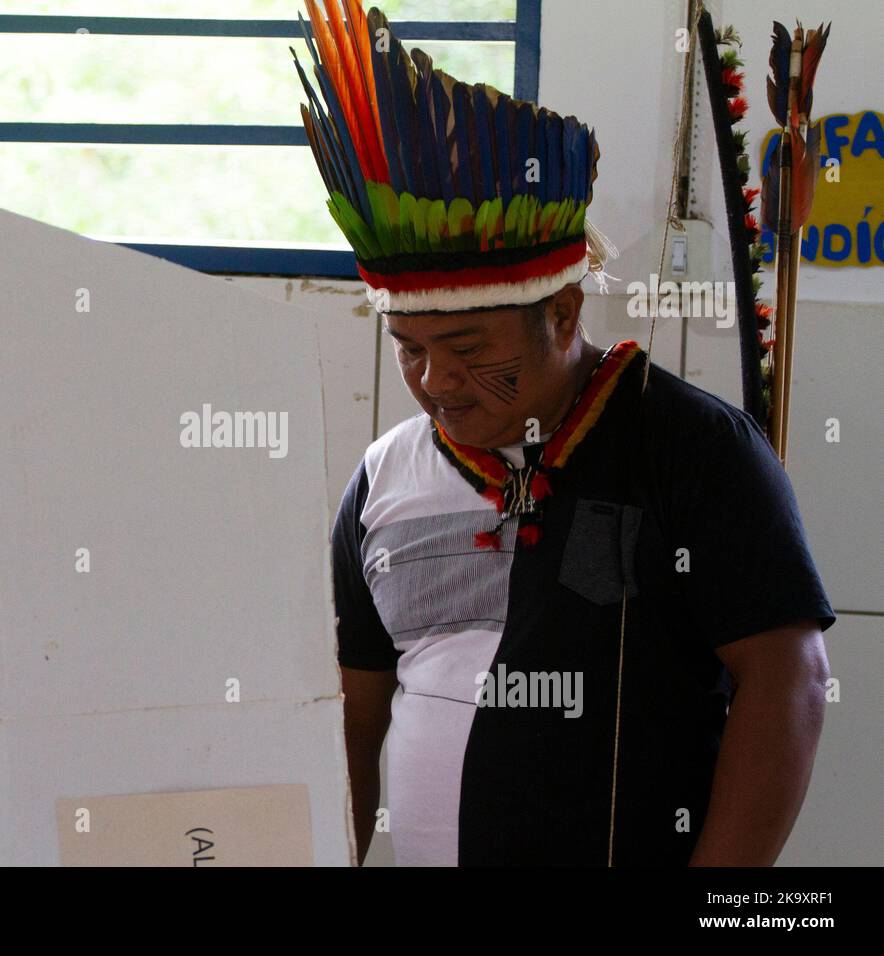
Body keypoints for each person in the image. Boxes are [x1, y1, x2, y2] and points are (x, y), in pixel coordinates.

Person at [294, 1, 835, 865]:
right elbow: (352, 711)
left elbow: (789, 682)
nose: (435, 382)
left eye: (468, 350)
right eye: (409, 350)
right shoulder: (384, 477)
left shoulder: (695, 450)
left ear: (564, 313)